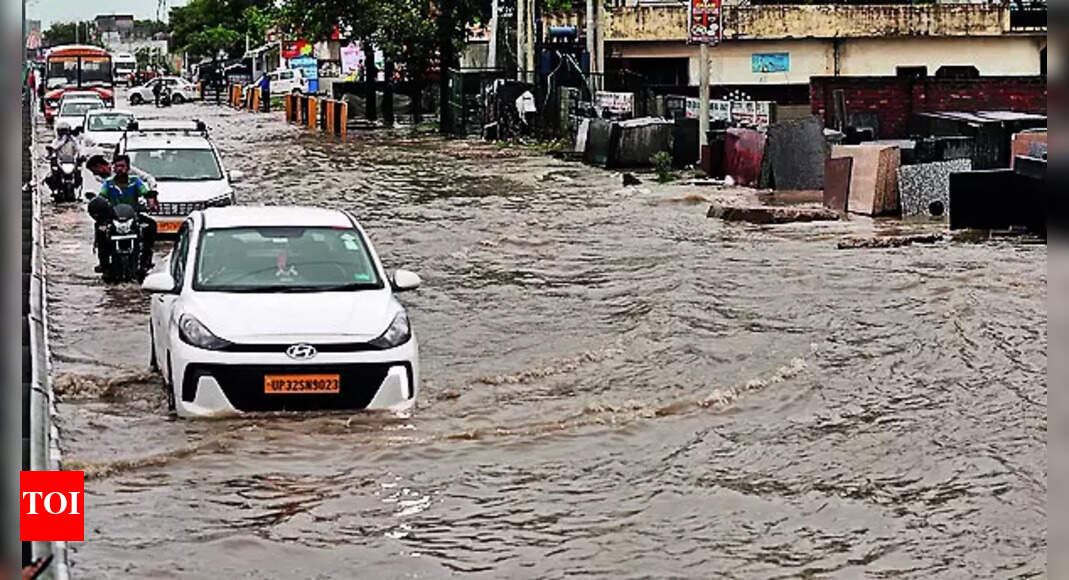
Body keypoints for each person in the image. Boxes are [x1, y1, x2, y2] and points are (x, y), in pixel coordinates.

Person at [86, 154, 159, 273]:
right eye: (117, 166)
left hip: (133, 216)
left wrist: (151, 199)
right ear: (113, 167)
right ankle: (103, 263)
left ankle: (146, 260)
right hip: (113, 217)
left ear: (128, 167)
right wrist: (96, 204)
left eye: (122, 166)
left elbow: (145, 192)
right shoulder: (108, 184)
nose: (120, 169)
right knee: (100, 229)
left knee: (150, 226)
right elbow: (102, 196)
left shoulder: (135, 182)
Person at [45, 121, 83, 192]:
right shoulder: (56, 141)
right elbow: (52, 148)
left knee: (78, 171)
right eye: (62, 131)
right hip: (60, 162)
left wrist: (81, 156)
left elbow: (79, 149)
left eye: (65, 131)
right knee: (51, 175)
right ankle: (55, 188)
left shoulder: (73, 141)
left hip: (71, 162)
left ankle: (77, 185)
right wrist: (50, 155)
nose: (63, 134)